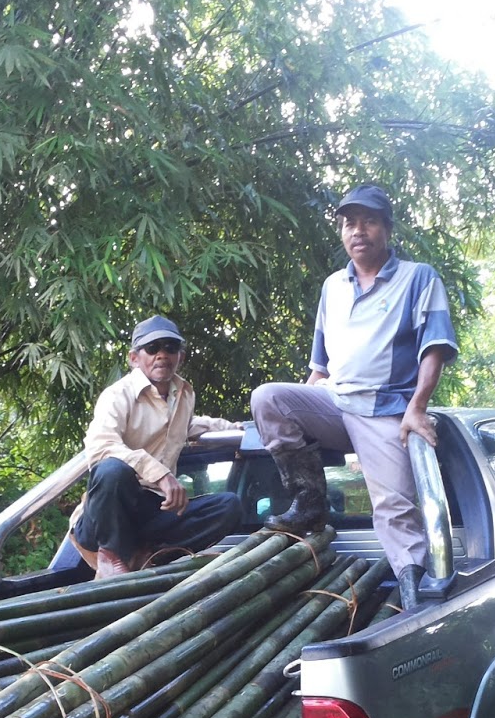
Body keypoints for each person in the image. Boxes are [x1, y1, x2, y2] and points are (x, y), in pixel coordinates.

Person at [249, 183, 457, 609]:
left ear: (387, 228)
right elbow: (320, 367)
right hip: (336, 401)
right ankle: (308, 503)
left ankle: (413, 593)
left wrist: (417, 408)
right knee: (269, 398)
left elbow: (434, 347)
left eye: (368, 221)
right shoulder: (333, 287)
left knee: (395, 508)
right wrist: (301, 412)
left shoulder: (418, 278)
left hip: (385, 409)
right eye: (349, 223)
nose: (357, 231)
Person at [71, 315, 243, 578]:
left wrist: (230, 428)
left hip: (151, 513)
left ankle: (153, 553)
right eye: (152, 349)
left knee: (229, 505)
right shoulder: (117, 395)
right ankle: (112, 555)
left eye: (170, 348)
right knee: (112, 470)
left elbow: (186, 425)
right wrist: (160, 474)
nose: (162, 354)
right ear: (134, 358)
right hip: (108, 515)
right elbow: (100, 447)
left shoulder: (184, 393)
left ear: (180, 357)